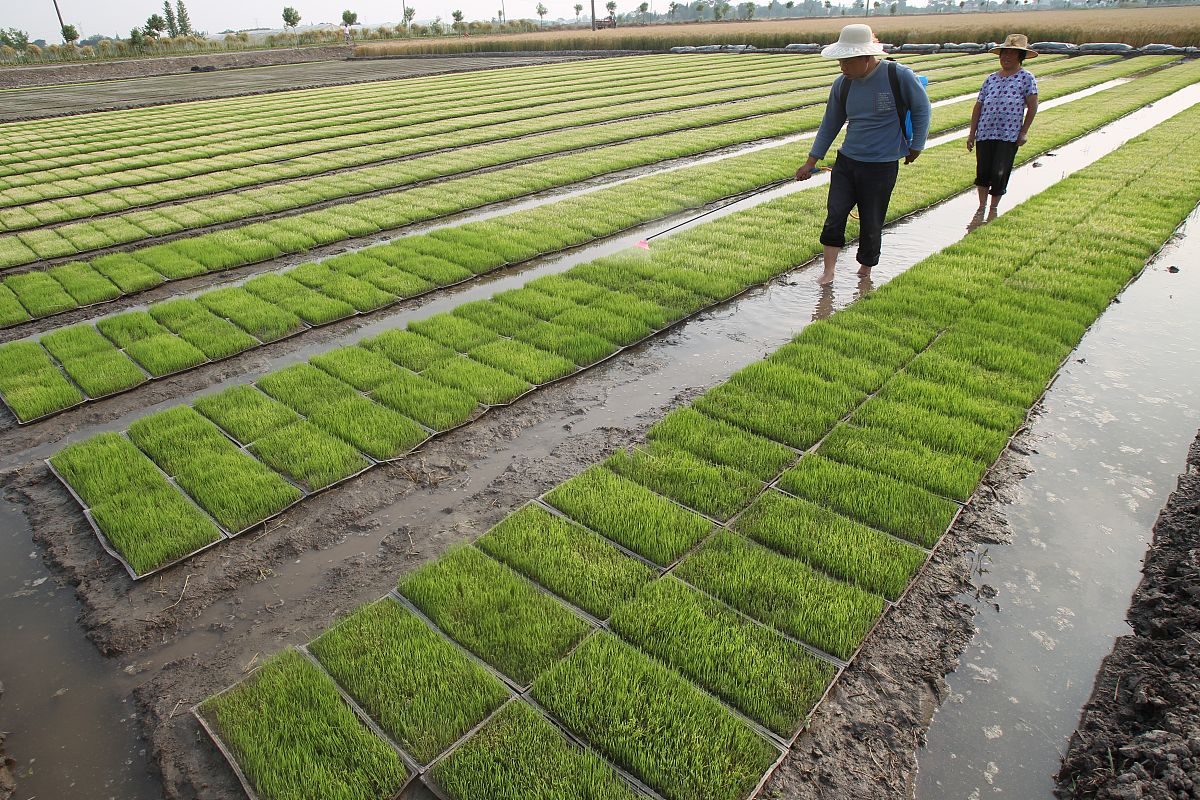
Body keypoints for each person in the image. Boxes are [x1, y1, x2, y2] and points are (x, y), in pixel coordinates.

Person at [796, 24, 931, 285]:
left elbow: (922, 108)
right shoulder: (842, 85)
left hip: (882, 165)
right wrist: (811, 161)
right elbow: (830, 124)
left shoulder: (897, 76)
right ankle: (829, 271)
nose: (842, 67)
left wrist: (917, 146)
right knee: (835, 215)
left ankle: (865, 271)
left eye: (847, 61)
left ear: (866, 57)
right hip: (847, 162)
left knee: (871, 221)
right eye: (840, 61)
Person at [967, 33, 1039, 219]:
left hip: (1008, 134)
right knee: (983, 170)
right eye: (1003, 53)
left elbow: (1032, 105)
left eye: (1011, 54)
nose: (1006, 57)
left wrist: (1023, 132)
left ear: (1020, 57)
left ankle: (993, 208)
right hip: (985, 131)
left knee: (1000, 171)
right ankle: (981, 206)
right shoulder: (991, 78)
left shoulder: (1026, 78)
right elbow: (978, 106)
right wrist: (971, 133)